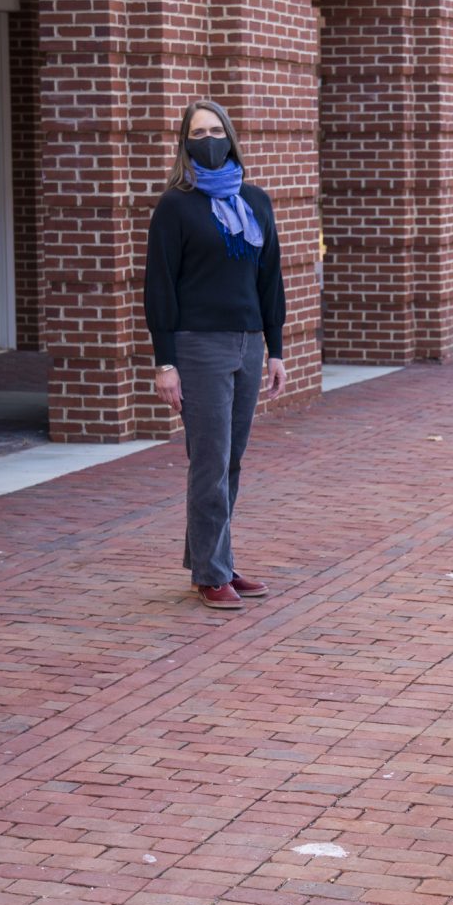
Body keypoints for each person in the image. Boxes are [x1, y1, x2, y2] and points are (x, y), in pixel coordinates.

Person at [145, 100, 286, 611]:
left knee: (231, 460)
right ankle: (211, 572)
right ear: (185, 144)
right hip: (199, 346)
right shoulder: (176, 206)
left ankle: (215, 560)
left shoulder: (255, 200)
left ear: (230, 135)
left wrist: (276, 350)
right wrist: (165, 362)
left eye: (216, 129)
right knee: (208, 459)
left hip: (249, 343)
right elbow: (158, 288)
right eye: (197, 132)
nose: (208, 138)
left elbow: (270, 280)